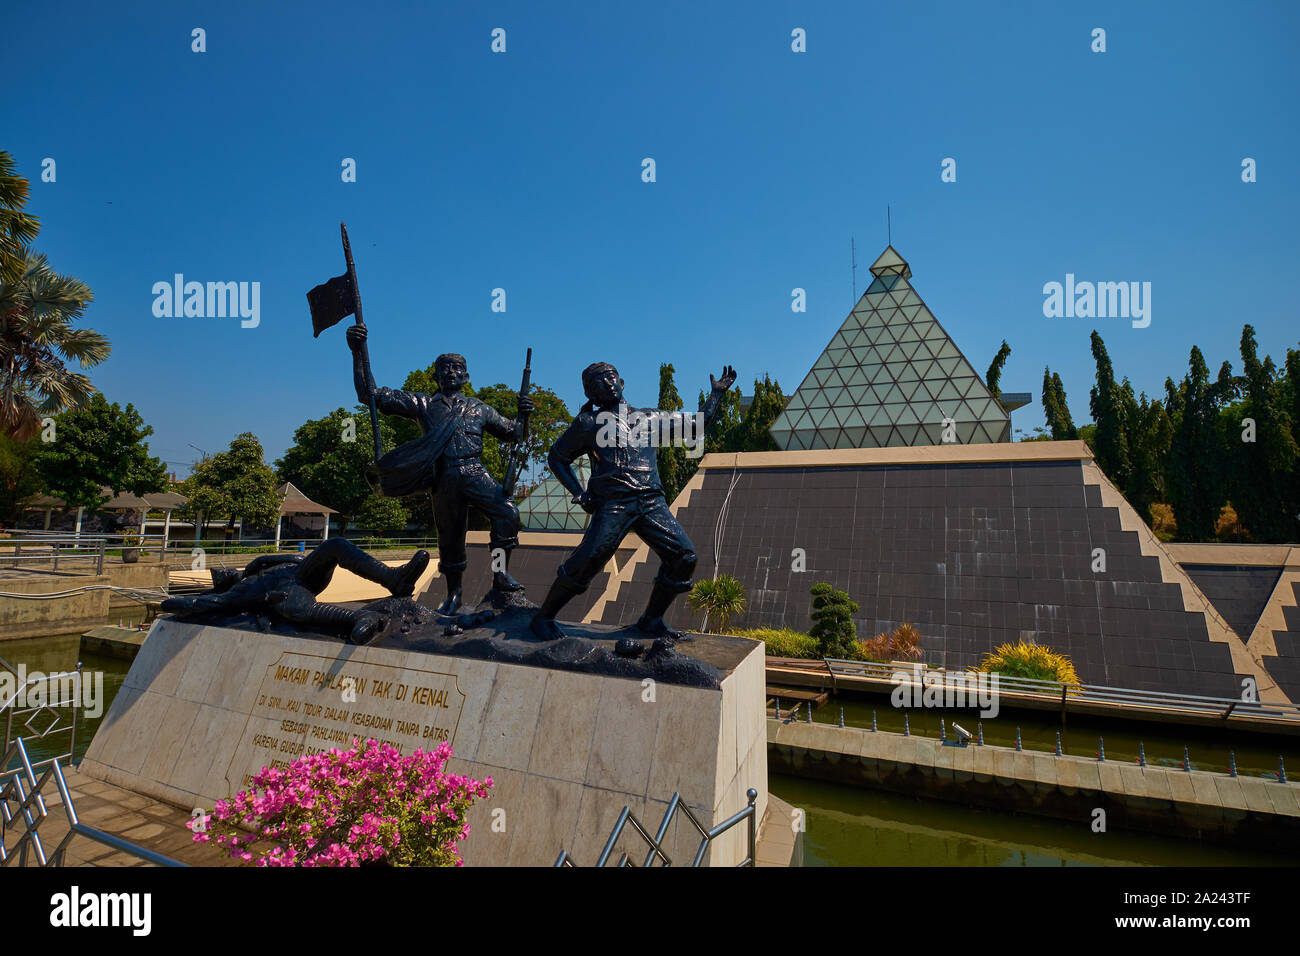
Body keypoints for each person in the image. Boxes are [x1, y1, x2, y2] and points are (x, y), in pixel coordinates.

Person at [530, 360, 736, 642]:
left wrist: (716, 394)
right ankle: (544, 616)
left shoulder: (650, 418)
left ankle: (651, 621)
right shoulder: (588, 423)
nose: (608, 383)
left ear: (622, 382)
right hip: (614, 502)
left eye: (611, 377)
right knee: (589, 558)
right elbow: (558, 457)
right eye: (599, 381)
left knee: (684, 556)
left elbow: (695, 426)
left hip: (651, 500)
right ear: (590, 393)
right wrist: (579, 493)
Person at [346, 325, 534, 614]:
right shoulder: (423, 403)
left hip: (474, 471)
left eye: (457, 369)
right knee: (450, 537)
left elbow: (514, 433)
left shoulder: (479, 408)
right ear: (435, 376)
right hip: (444, 476)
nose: (450, 372)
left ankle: (500, 574)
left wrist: (525, 415)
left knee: (507, 513)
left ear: (466, 377)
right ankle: (454, 593)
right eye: (444, 368)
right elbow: (370, 395)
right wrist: (358, 352)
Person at [161, 539, 430, 644]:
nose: (225, 573)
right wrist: (173, 603)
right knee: (296, 608)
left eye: (225, 573)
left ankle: (394, 578)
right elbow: (209, 604)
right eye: (222, 577)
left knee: (334, 545)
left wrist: (260, 562)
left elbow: (282, 558)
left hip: (302, 572)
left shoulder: (258, 566)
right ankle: (359, 619)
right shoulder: (238, 592)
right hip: (285, 592)